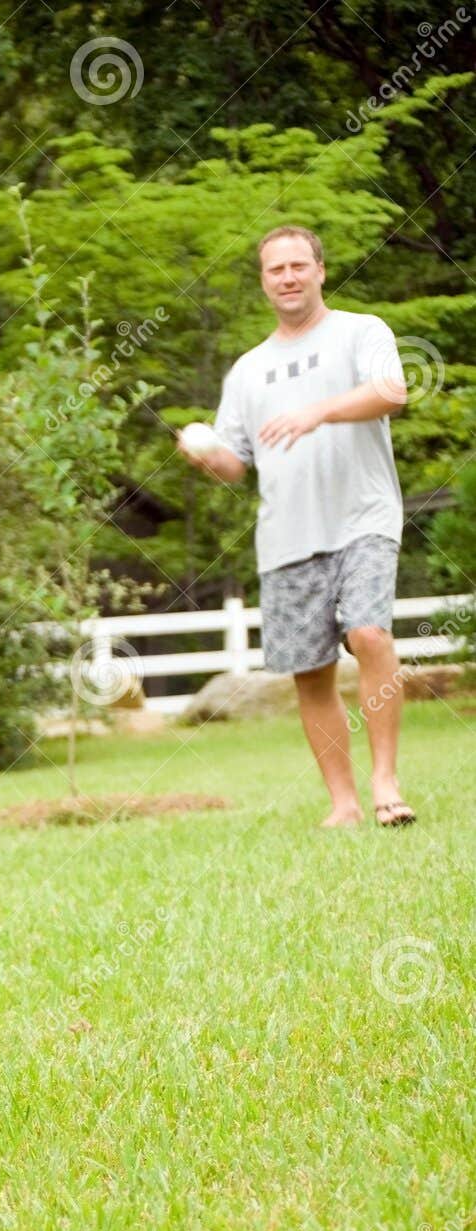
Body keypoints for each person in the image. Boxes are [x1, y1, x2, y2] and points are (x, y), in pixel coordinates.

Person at [180, 224, 414, 828]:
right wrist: (206, 456)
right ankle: (345, 805)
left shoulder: (362, 332)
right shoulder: (248, 372)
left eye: (297, 266)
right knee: (310, 674)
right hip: (285, 537)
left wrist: (319, 411)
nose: (287, 278)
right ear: (263, 281)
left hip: (364, 518)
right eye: (274, 270)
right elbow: (236, 465)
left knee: (369, 635)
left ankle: (386, 781)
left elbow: (393, 390)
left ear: (320, 270)